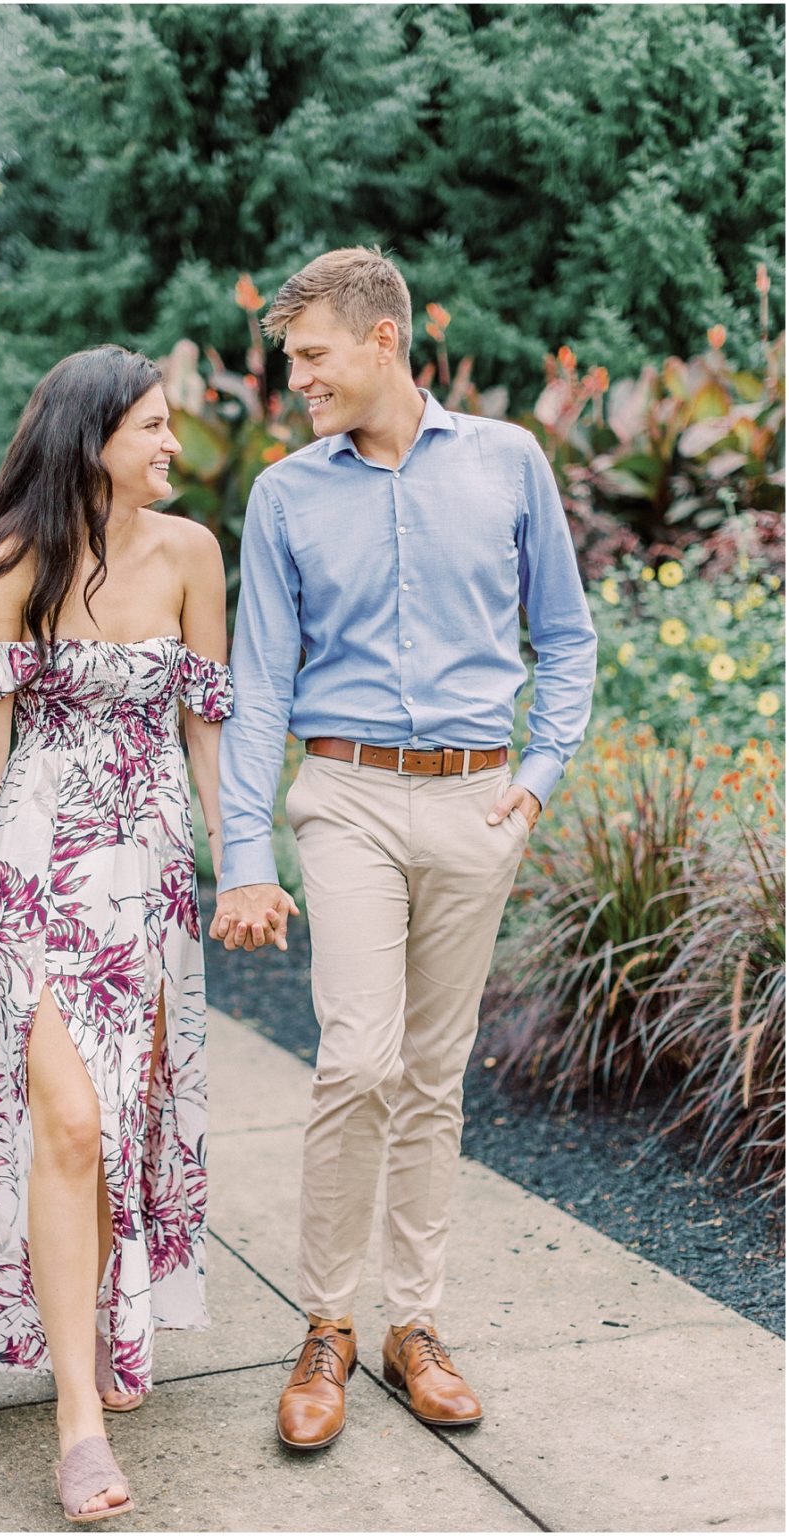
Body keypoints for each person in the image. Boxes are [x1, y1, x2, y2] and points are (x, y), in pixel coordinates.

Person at [211, 247, 597, 1449]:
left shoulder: (508, 461)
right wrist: (244, 853)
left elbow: (567, 637)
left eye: (312, 355)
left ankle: (411, 1324)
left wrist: (537, 777)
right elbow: (257, 685)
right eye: (291, 360)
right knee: (355, 1061)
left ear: (383, 338)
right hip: (346, 798)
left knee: (433, 1074)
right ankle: (326, 1324)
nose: (297, 380)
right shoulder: (285, 495)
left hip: (478, 804)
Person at [0, 344, 232, 1521]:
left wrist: (242, 862)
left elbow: (206, 724)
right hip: (37, 879)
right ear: (91, 439)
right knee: (74, 1123)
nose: (170, 444)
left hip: (149, 886)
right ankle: (77, 1424)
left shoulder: (191, 553)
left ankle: (91, 1327)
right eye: (150, 426)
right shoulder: (13, 561)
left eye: (169, 425)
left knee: (117, 1126)